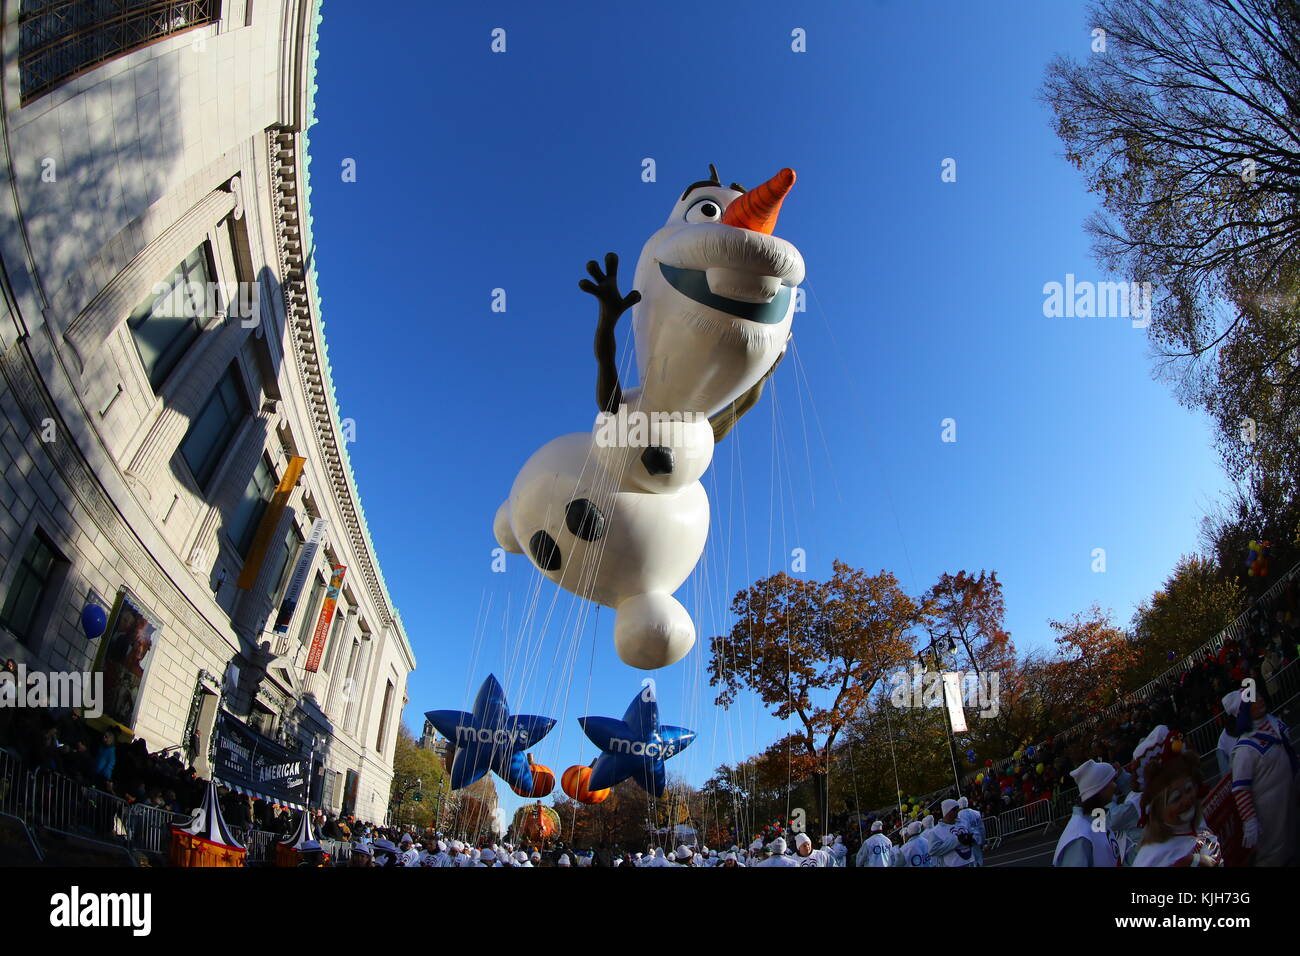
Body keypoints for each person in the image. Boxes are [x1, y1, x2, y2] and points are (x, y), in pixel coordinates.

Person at [1225, 688, 1298, 866]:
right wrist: (1249, 820)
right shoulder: (1244, 749)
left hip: (1290, 800)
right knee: (1275, 854)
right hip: (1269, 813)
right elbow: (1240, 789)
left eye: (1258, 695)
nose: (1260, 699)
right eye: (1253, 700)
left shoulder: (1274, 724)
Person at [1133, 736, 1219, 867]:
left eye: (1189, 789)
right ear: (1158, 809)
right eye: (1176, 798)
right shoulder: (1152, 857)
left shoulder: (1194, 824)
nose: (1187, 800)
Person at [1052, 759, 1121, 867]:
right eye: (1111, 781)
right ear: (1099, 789)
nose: (1115, 786)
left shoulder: (1097, 820)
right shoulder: (1080, 837)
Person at [926, 799, 976, 868]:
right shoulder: (935, 831)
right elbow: (932, 851)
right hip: (952, 864)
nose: (957, 811)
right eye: (954, 809)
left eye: (958, 809)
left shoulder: (963, 823)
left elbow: (974, 836)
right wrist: (957, 841)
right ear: (947, 811)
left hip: (970, 862)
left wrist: (972, 839)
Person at [956, 797, 985, 865]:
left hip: (968, 839)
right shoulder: (976, 812)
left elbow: (962, 827)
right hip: (977, 837)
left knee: (970, 859)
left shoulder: (959, 815)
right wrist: (983, 839)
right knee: (979, 857)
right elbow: (981, 827)